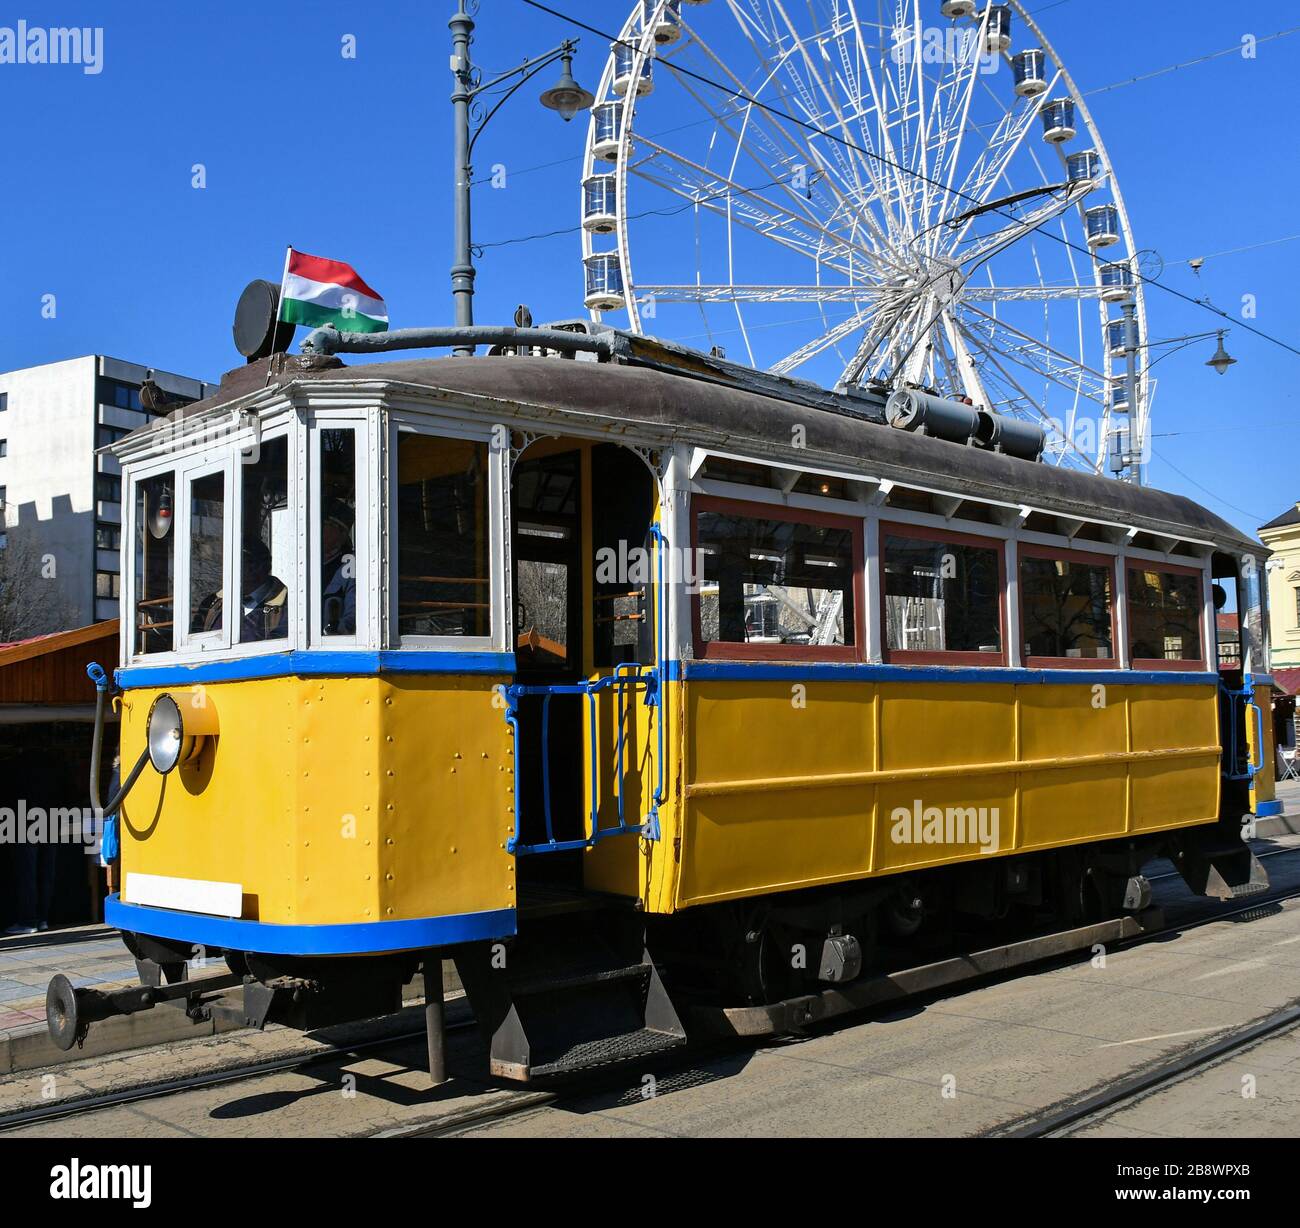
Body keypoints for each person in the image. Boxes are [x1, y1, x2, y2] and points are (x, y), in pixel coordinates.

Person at [321, 498, 357, 635]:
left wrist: (335, 630)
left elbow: (353, 616)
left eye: (325, 524)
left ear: (342, 533)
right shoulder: (308, 565)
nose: (318, 529)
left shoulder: (351, 565)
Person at [241, 539, 289, 641]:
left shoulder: (290, 607)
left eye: (241, 562)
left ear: (257, 566)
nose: (227, 569)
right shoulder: (214, 604)